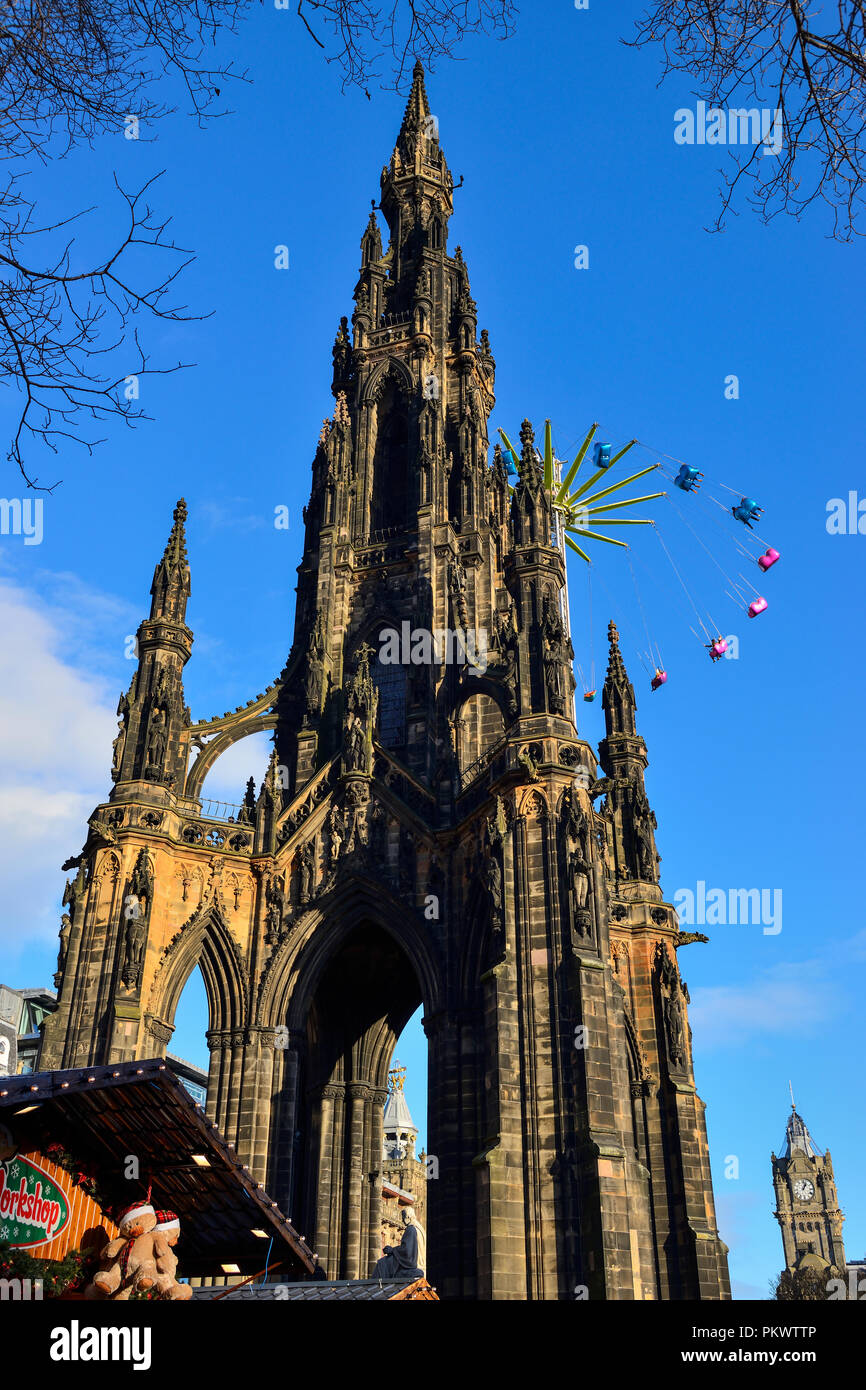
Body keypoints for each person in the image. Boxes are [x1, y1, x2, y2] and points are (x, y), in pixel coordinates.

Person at [373, 1207, 426, 1280]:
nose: (402, 1220)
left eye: (403, 1217)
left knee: (382, 1264)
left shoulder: (411, 1229)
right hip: (416, 1265)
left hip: (410, 1266)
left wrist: (392, 1250)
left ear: (408, 1217)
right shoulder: (420, 1229)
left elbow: (407, 1251)